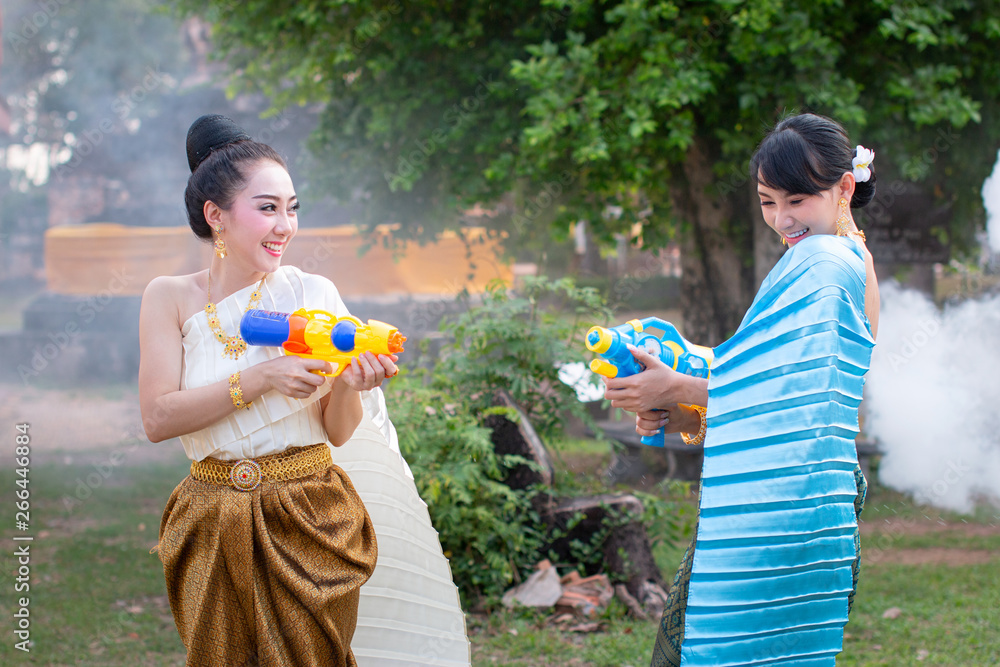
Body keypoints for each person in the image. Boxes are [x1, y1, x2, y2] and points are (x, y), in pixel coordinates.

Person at [140, 115, 470, 666]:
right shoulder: (168, 297)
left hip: (309, 513)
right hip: (210, 518)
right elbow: (157, 418)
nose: (285, 225)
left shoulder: (310, 293)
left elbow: (338, 431)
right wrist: (261, 379)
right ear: (215, 216)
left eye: (292, 207)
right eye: (268, 207)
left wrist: (351, 384)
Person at [603, 113, 879, 667]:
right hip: (801, 488)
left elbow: (783, 391)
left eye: (797, 200)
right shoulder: (827, 258)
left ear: (844, 187)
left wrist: (678, 383)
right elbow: (772, 397)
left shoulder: (826, 263)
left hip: (793, 499)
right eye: (767, 201)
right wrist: (676, 410)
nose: (782, 219)